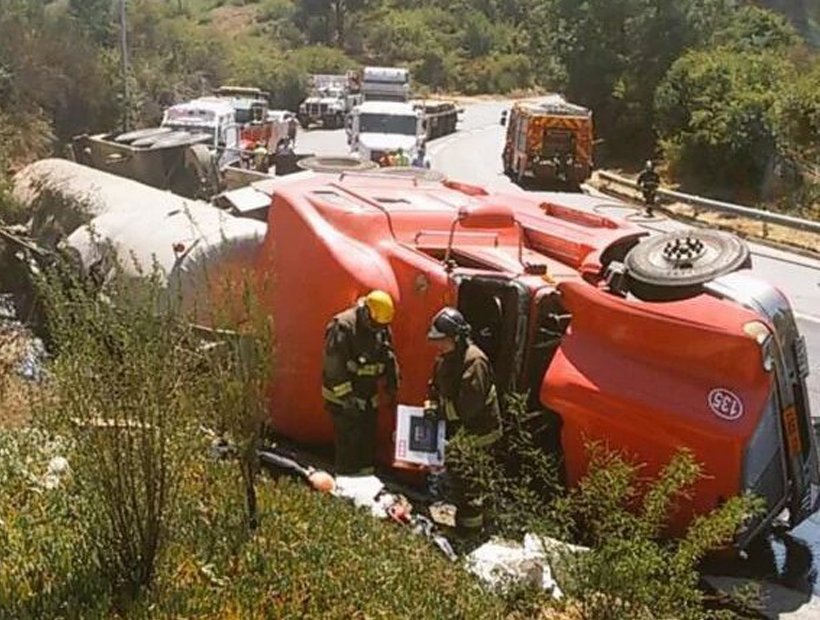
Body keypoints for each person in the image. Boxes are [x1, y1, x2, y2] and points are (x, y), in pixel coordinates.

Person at [425, 307, 502, 534]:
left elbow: (468, 406)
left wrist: (440, 413)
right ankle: (487, 523)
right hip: (460, 430)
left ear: (456, 338)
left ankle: (470, 532)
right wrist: (429, 406)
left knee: (470, 485)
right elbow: (434, 388)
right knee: (471, 481)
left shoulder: (475, 362)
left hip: (480, 434)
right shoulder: (445, 359)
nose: (439, 345)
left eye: (443, 340)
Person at [322, 291, 400, 475]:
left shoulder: (380, 326)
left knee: (367, 443)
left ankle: (365, 484)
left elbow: (388, 356)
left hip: (367, 396)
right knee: (349, 444)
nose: (377, 329)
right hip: (342, 398)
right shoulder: (343, 326)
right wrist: (348, 399)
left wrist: (392, 385)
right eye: (374, 325)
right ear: (365, 312)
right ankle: (346, 486)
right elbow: (334, 367)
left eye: (381, 326)